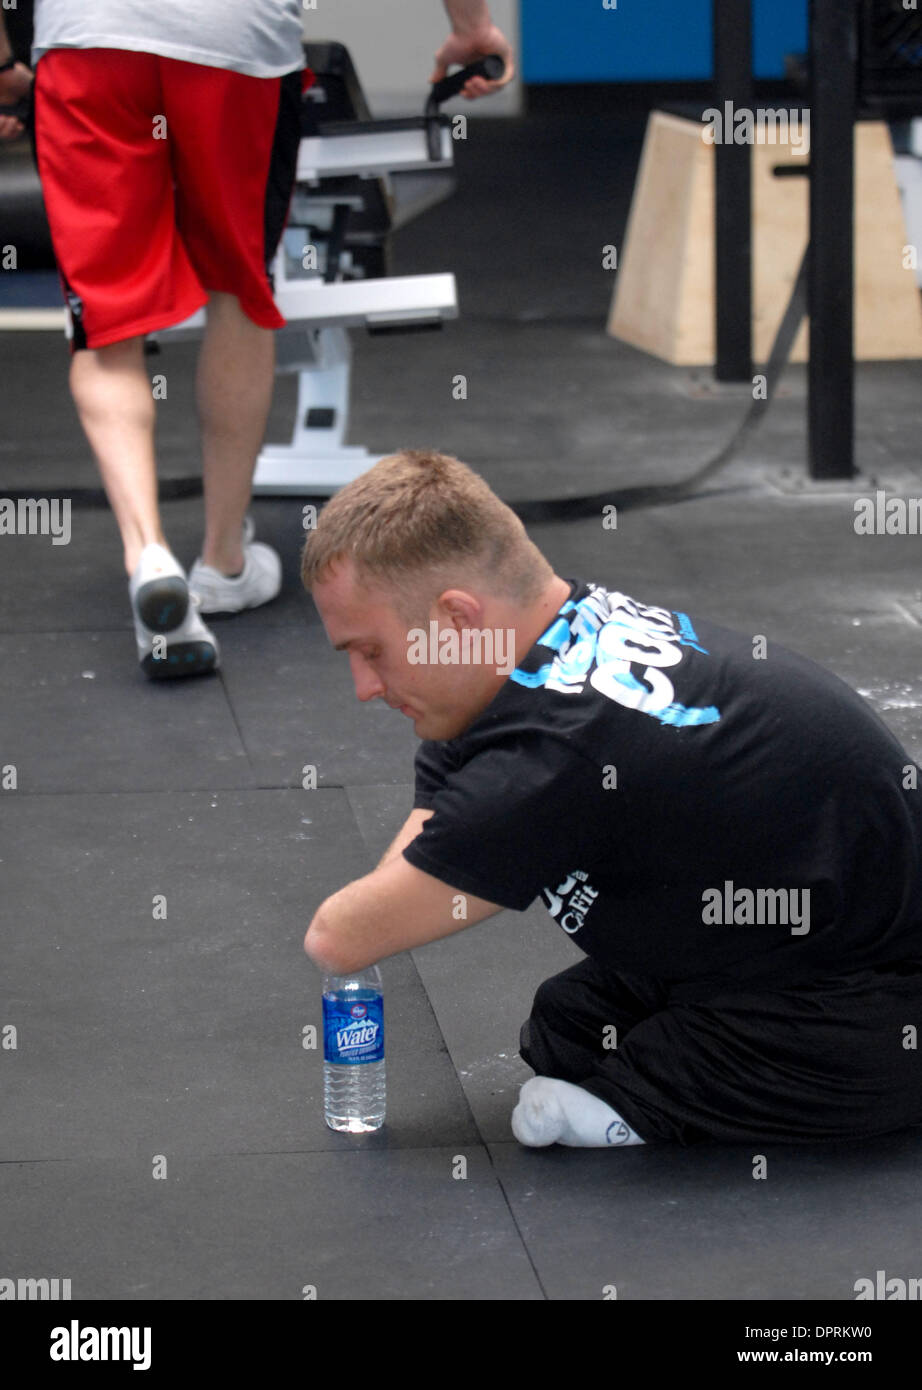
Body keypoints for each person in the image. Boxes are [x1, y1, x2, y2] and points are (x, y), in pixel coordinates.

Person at [301, 449, 922, 1150]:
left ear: (455, 619)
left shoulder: (557, 753)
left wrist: (392, 903)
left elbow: (338, 937)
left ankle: (649, 1106)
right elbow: (437, 821)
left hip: (876, 991)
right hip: (772, 942)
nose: (363, 685)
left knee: (674, 1068)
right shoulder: (551, 636)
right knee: (566, 1022)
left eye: (372, 651)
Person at [0, 2, 514, 679]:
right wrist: (472, 26)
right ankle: (220, 562)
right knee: (238, 298)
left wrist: (4, 61)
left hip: (87, 37)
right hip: (233, 40)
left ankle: (148, 555)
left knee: (104, 325)